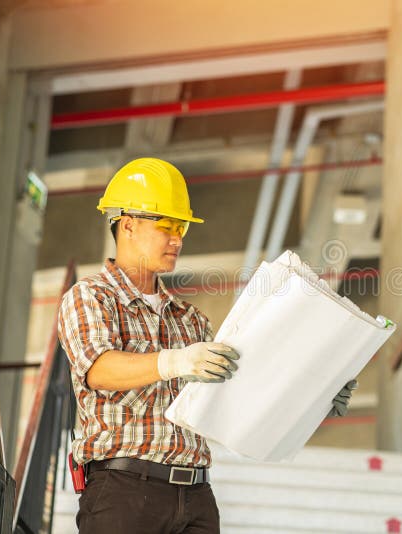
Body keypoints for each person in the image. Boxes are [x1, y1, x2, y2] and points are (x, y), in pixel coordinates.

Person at [57, 157, 356, 534]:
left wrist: (317, 398)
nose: (178, 238)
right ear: (128, 225)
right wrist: (175, 362)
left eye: (181, 226)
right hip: (123, 492)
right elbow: (98, 370)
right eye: (166, 225)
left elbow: (236, 402)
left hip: (196, 496)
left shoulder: (192, 320)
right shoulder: (90, 297)